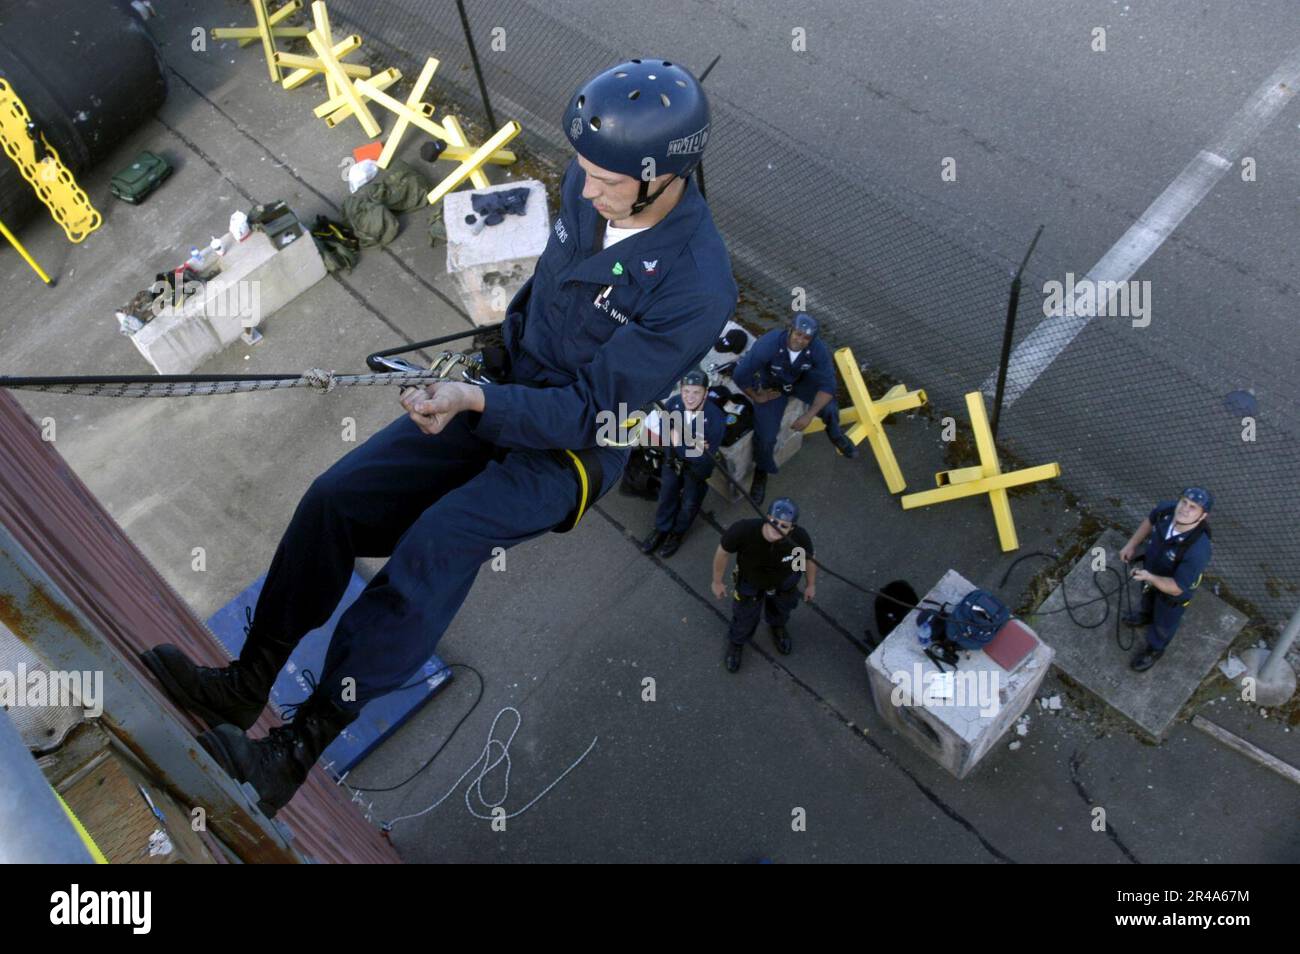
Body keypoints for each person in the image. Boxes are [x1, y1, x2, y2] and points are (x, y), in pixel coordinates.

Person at [139, 58, 737, 817]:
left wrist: (475, 398)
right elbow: (539, 301)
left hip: (566, 454)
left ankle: (297, 748)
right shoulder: (590, 198)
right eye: (582, 172)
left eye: (606, 180)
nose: (584, 191)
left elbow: (590, 412)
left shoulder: (697, 286)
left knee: (438, 541)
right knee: (336, 500)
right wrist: (476, 364)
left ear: (663, 178)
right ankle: (244, 682)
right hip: (498, 390)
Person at [731, 312, 854, 505]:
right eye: (798, 334)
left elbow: (828, 385)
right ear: (790, 330)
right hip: (773, 387)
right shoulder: (768, 344)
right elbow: (740, 374)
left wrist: (809, 415)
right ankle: (761, 471)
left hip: (801, 382)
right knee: (766, 436)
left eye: (806, 337)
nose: (801, 340)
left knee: (829, 407)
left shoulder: (817, 349)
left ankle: (836, 434)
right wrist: (757, 396)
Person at [711, 498, 817, 673]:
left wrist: (810, 584)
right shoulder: (743, 530)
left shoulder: (799, 538)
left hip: (784, 583)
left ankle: (777, 627)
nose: (776, 527)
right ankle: (737, 642)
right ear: (767, 517)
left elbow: (809, 559)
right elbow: (723, 552)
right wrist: (717, 581)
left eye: (783, 525)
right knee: (744, 616)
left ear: (792, 528)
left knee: (782, 609)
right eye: (774, 521)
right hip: (751, 582)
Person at [1118, 487, 1214, 672]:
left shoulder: (1198, 550)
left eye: (1193, 507)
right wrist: (1131, 545)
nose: (1185, 509)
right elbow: (1149, 520)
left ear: (1203, 516)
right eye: (1184, 502)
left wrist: (1149, 577)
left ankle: (1155, 648)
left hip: (1172, 595)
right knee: (1146, 598)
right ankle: (1145, 615)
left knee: (1164, 623)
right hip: (1151, 572)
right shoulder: (1167, 510)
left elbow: (1177, 587)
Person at [641, 368, 726, 558]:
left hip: (696, 469)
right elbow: (663, 431)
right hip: (673, 461)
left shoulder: (715, 418)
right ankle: (662, 528)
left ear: (705, 392)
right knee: (667, 495)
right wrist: (686, 441)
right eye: (686, 391)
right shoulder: (673, 404)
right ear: (681, 389)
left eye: (696, 392)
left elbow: (704, 454)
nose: (690, 397)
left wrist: (677, 438)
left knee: (689, 502)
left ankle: (677, 533)